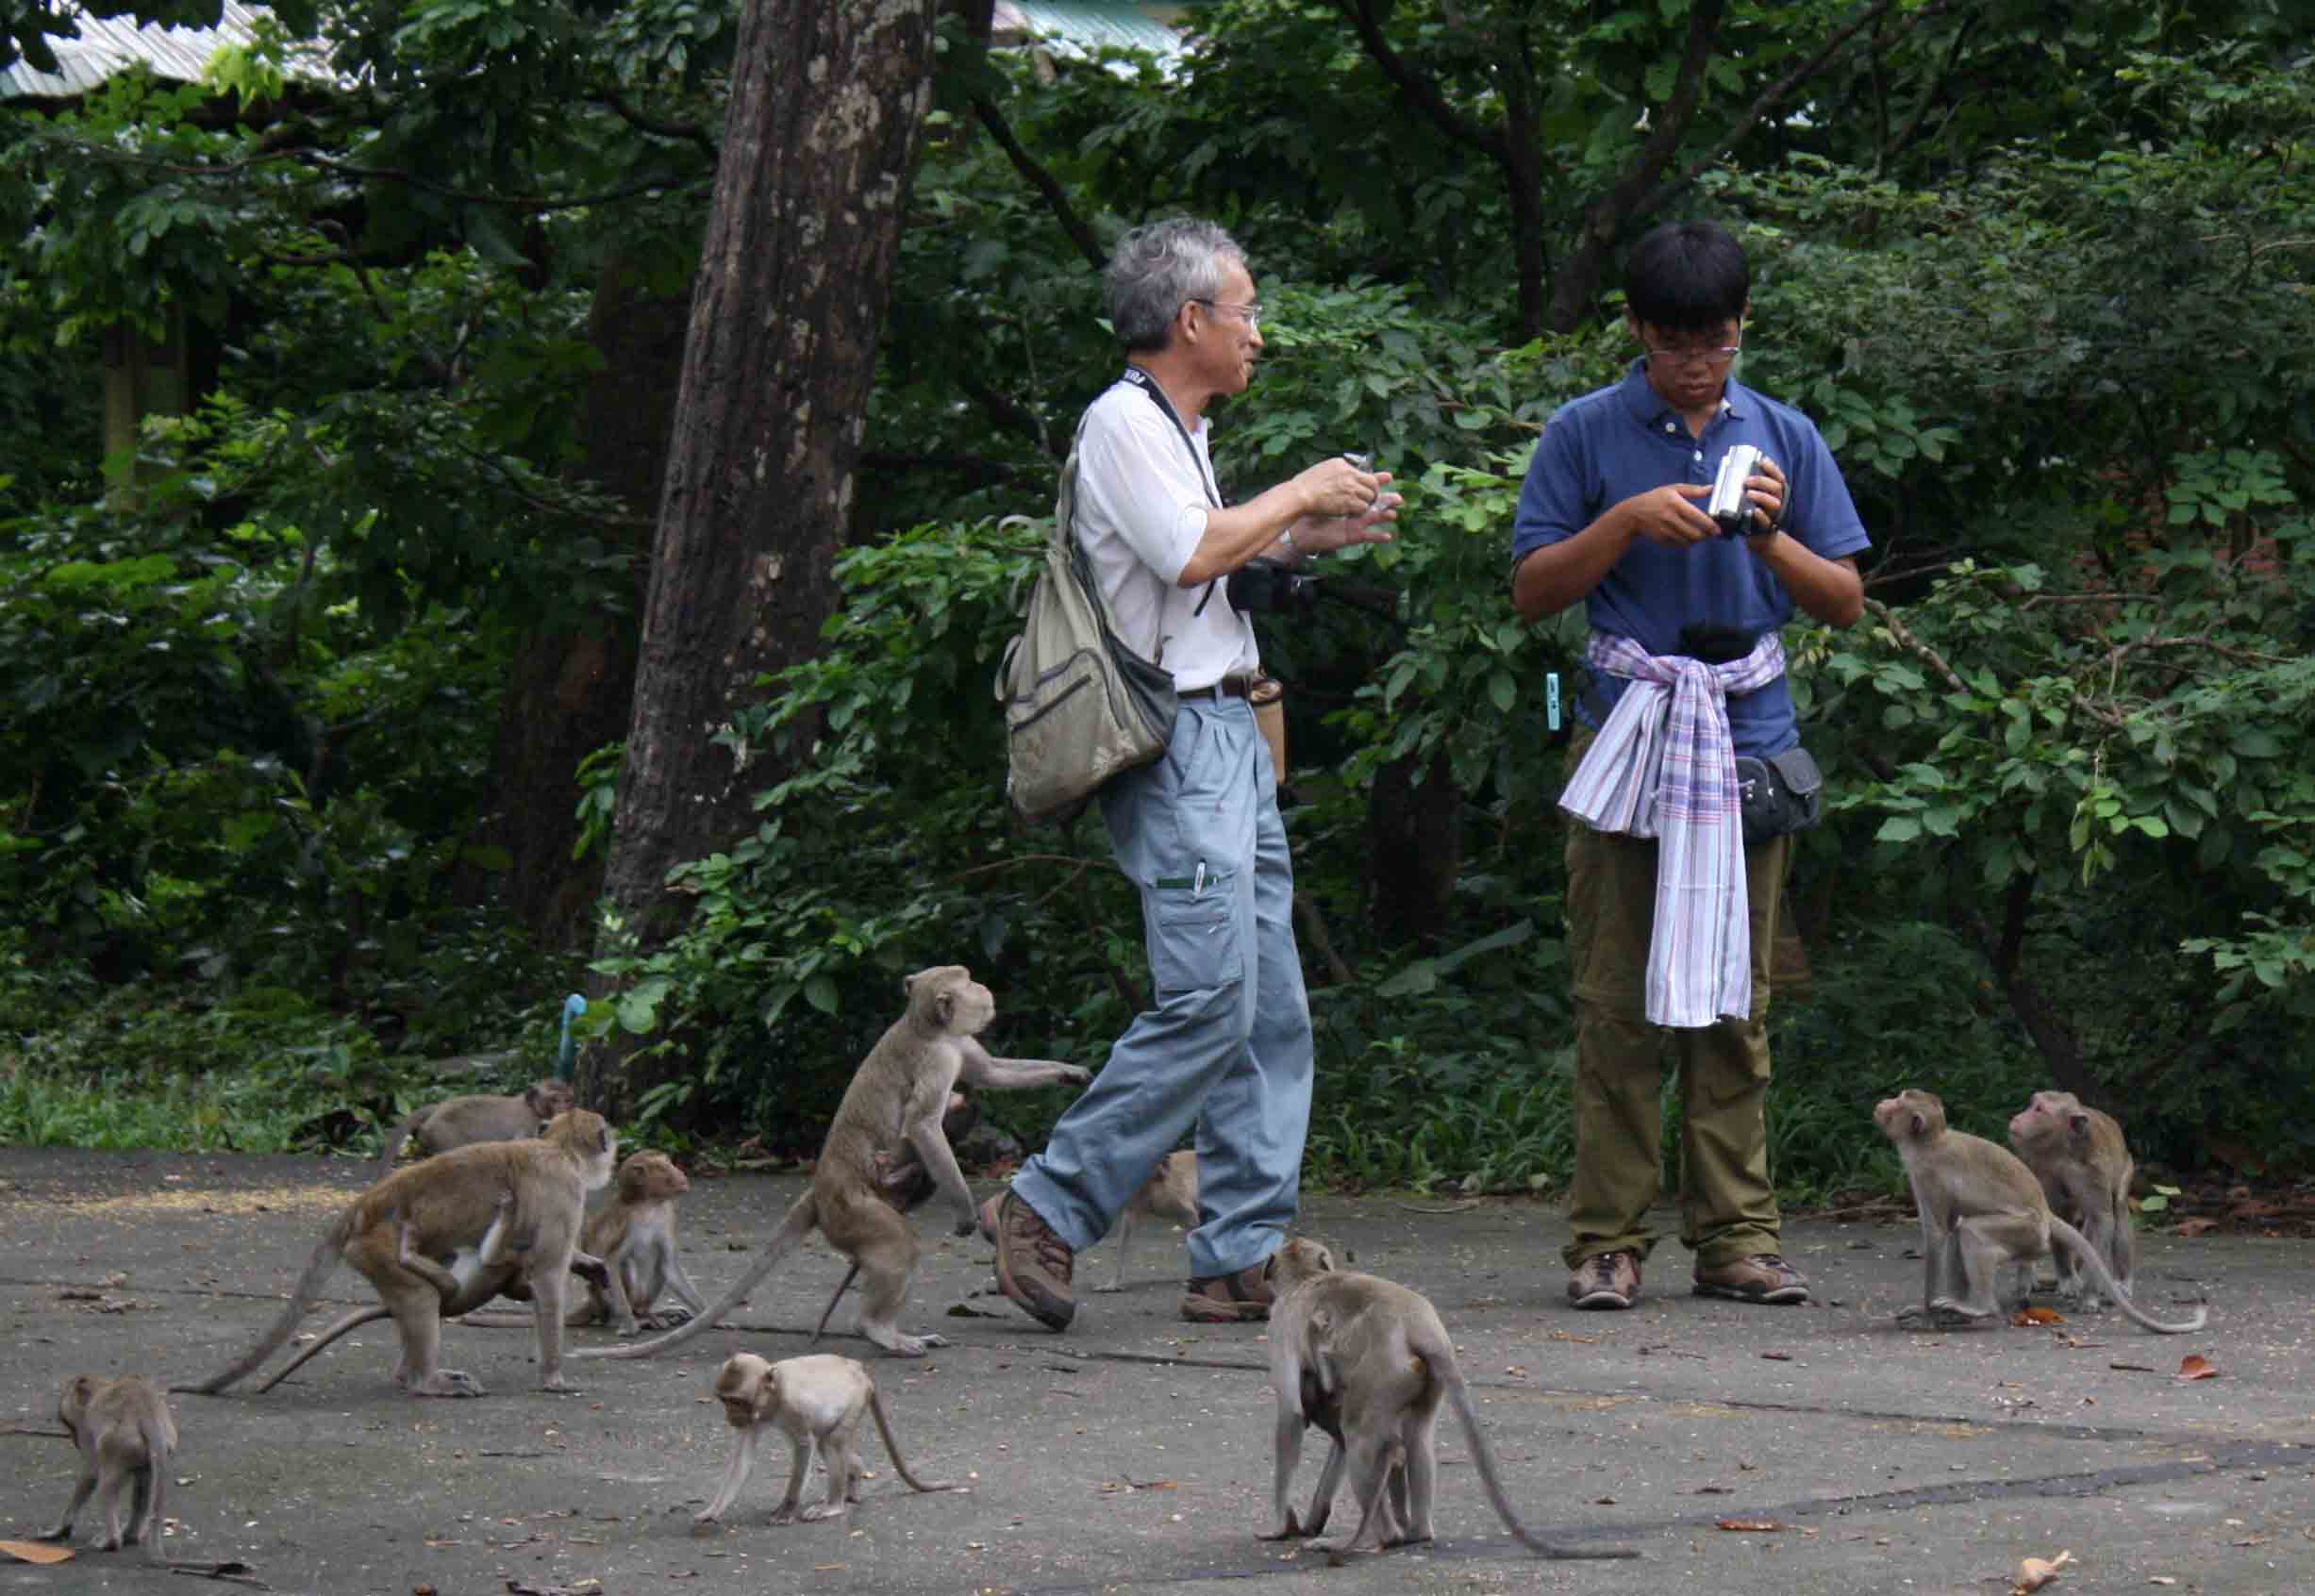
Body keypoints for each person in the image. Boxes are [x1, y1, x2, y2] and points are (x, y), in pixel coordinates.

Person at [980, 217, 1398, 1330]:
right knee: (1212, 996)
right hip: (1175, 747)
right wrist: (1304, 491)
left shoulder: (1178, 427)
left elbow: (1204, 555)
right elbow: (1191, 554)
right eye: (1247, 311)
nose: (1260, 333)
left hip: (1226, 737)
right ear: (1191, 320)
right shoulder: (1122, 421)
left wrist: (1314, 539)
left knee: (1269, 1010)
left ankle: (1239, 1254)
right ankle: (1047, 1204)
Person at [1509, 219, 1868, 1312]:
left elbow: (1845, 600)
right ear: (1636, 331)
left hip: (1748, 734)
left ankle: (1738, 1240)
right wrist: (1623, 522)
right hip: (1629, 728)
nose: (1696, 363)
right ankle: (1607, 1242)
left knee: (1734, 1001)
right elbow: (1532, 590)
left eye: (1713, 341)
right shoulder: (1585, 433)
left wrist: (1765, 539)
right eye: (1673, 343)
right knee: (1616, 1000)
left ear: (1741, 328)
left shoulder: (1784, 436)